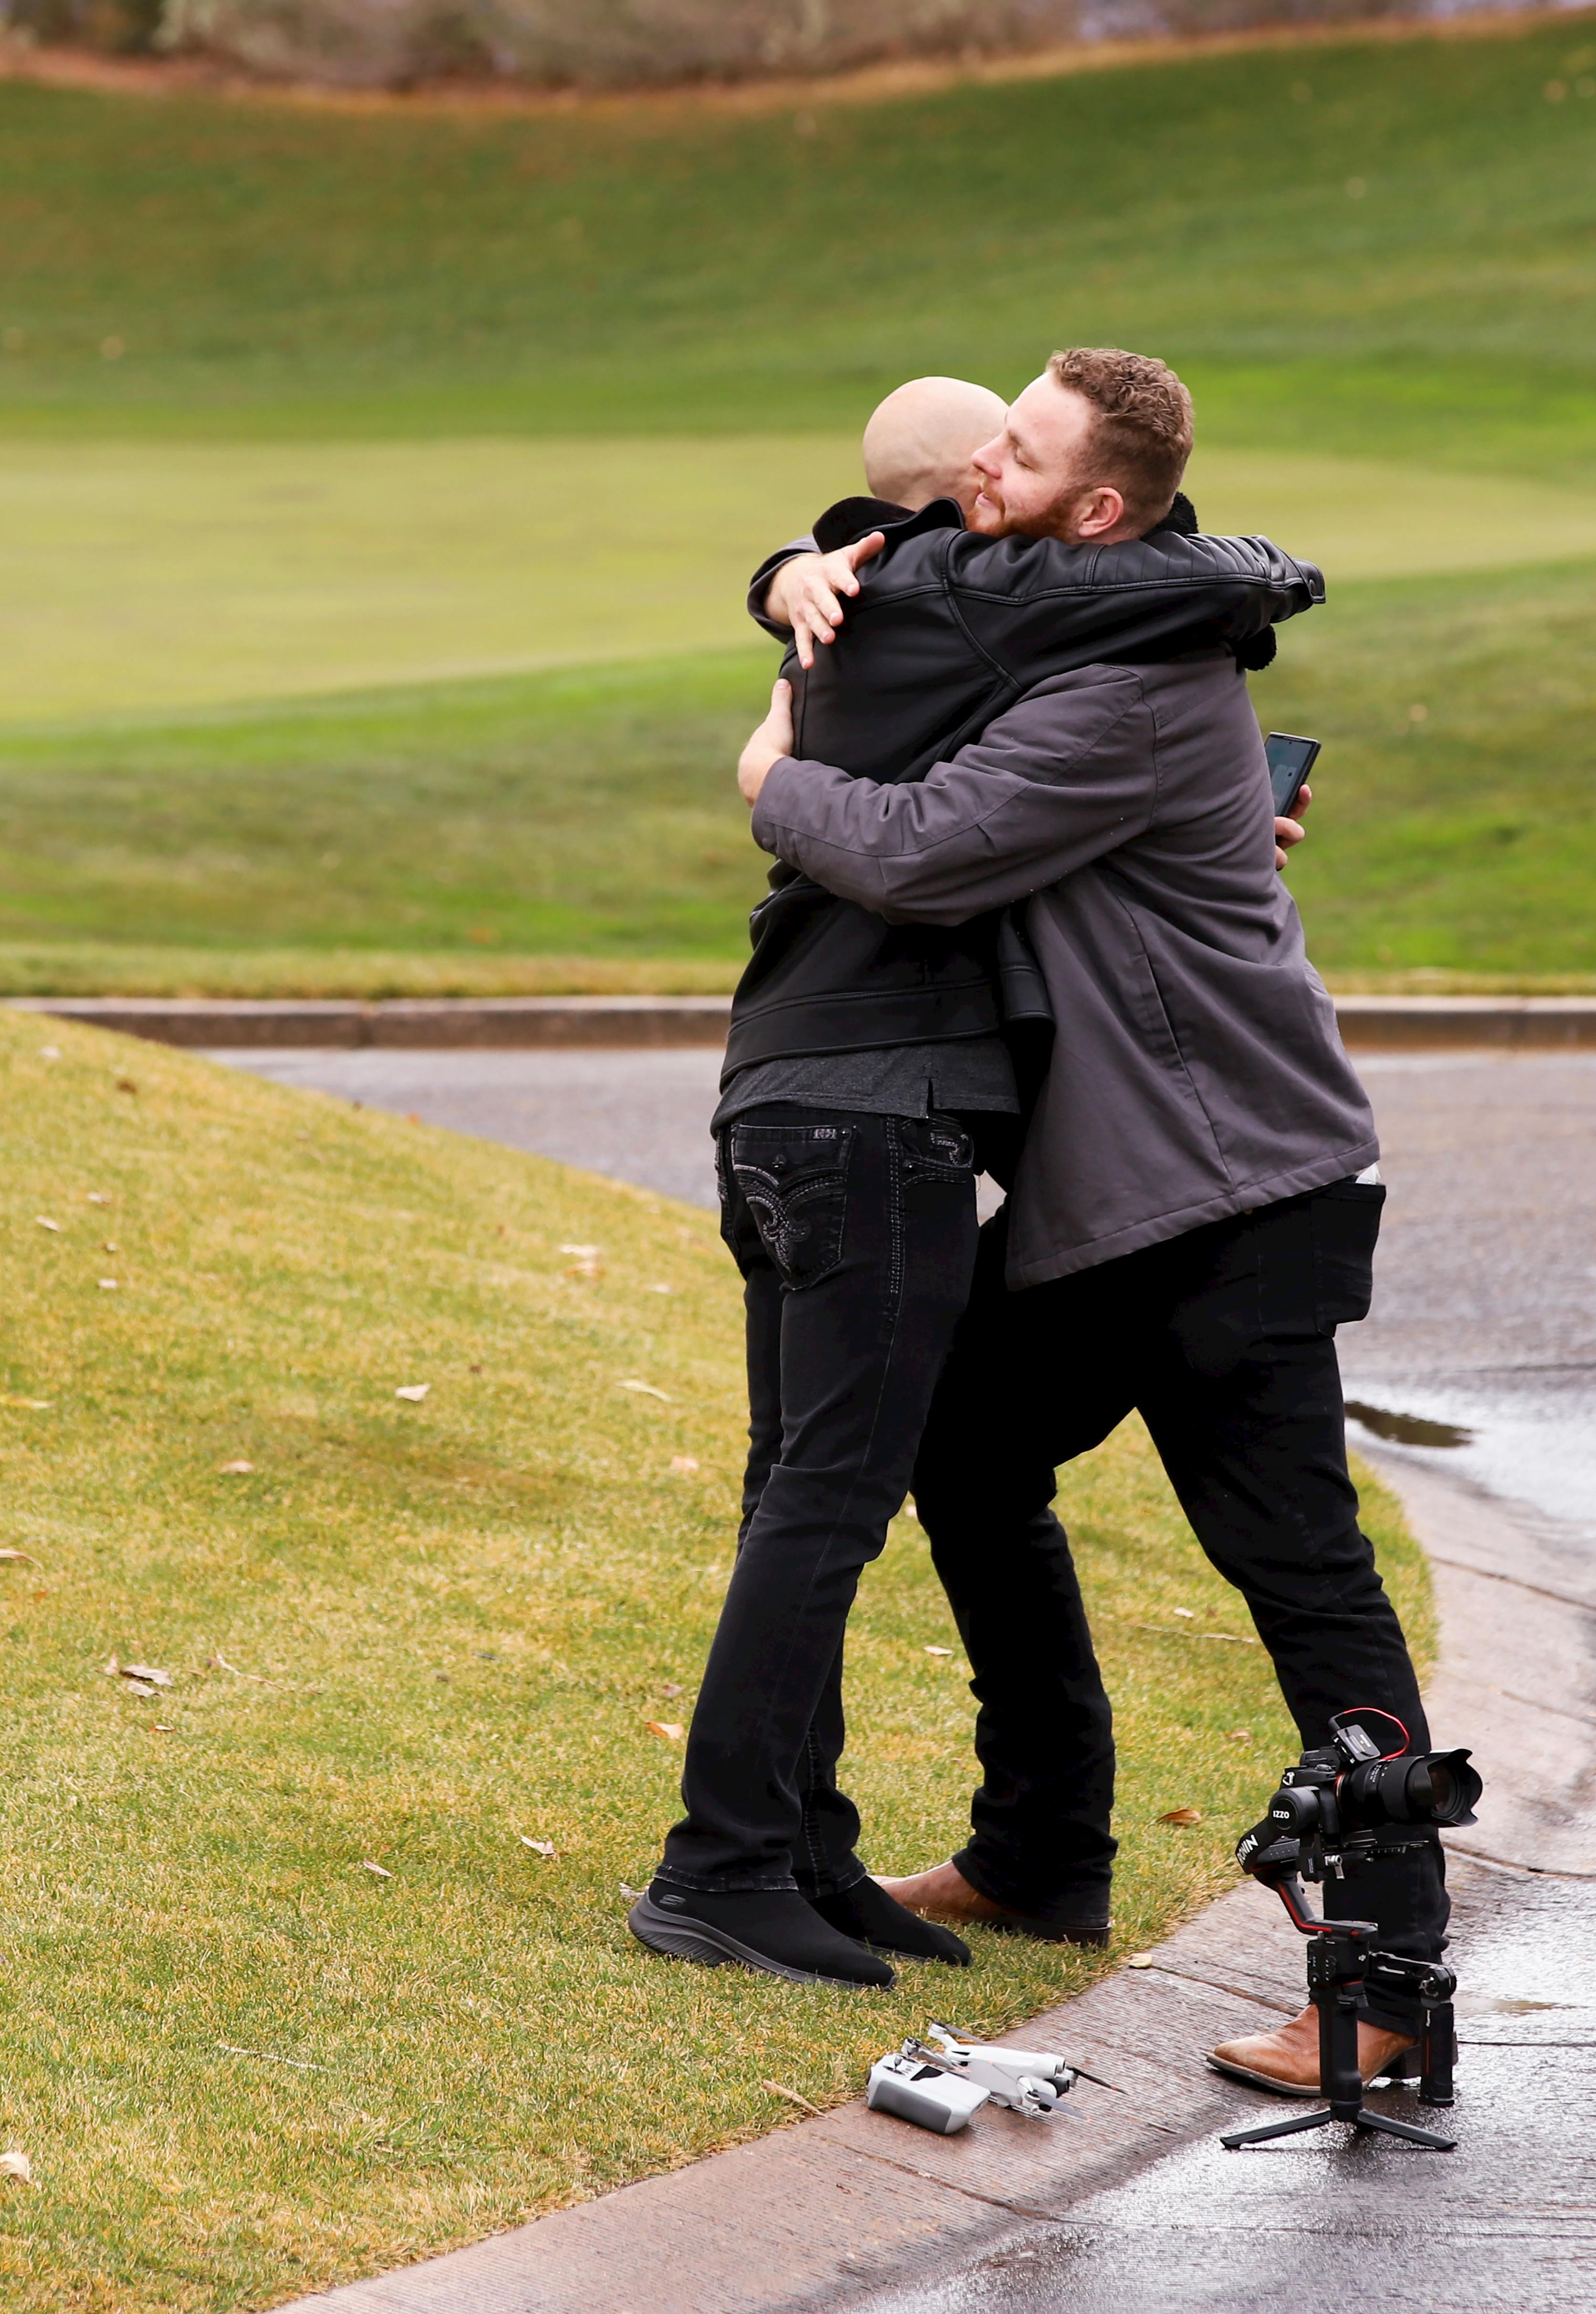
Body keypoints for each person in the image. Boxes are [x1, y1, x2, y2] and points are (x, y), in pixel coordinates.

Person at [736, 348, 1453, 2099]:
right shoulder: (1084, 634)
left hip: (1237, 1200)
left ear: (1104, 511)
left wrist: (768, 777)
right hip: (1122, 1209)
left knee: (1306, 1581)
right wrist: (798, 564)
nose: (986, 466)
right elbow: (922, 574)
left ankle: (1389, 1988)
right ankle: (1044, 1847)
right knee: (966, 1443)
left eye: (1024, 451)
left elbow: (914, 847)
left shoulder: (1123, 682)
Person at [631, 359, 1327, 1990]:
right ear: (955, 513)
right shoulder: (961, 589)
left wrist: (1205, 803)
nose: (1012, 483)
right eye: (996, 460)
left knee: (798, 1482)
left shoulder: (876, 601)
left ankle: (800, 1849)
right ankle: (722, 1867)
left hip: (802, 1090)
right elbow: (1207, 580)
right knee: (827, 1497)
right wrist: (1263, 590)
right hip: (879, 1108)